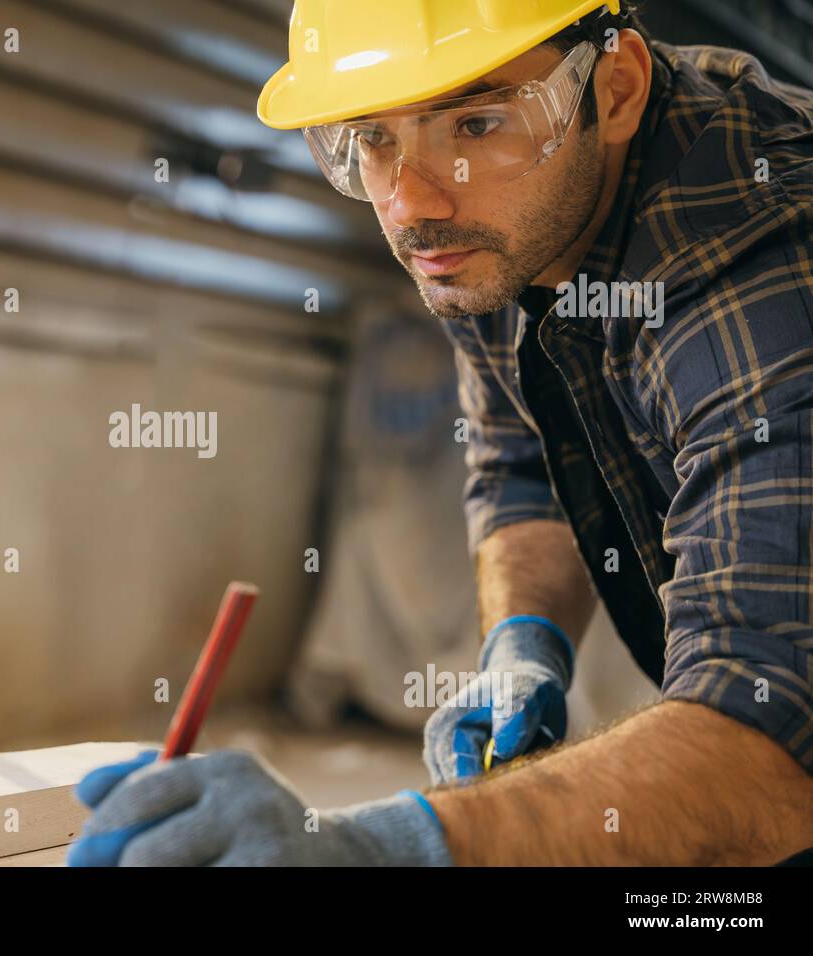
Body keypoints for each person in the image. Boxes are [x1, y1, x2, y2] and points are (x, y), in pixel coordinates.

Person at [69, 0, 813, 865]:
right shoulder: (499, 225)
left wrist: (386, 849)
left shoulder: (765, 255)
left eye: (477, 120)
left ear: (616, 89)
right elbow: (523, 460)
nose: (411, 203)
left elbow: (772, 745)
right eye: (373, 139)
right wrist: (522, 648)